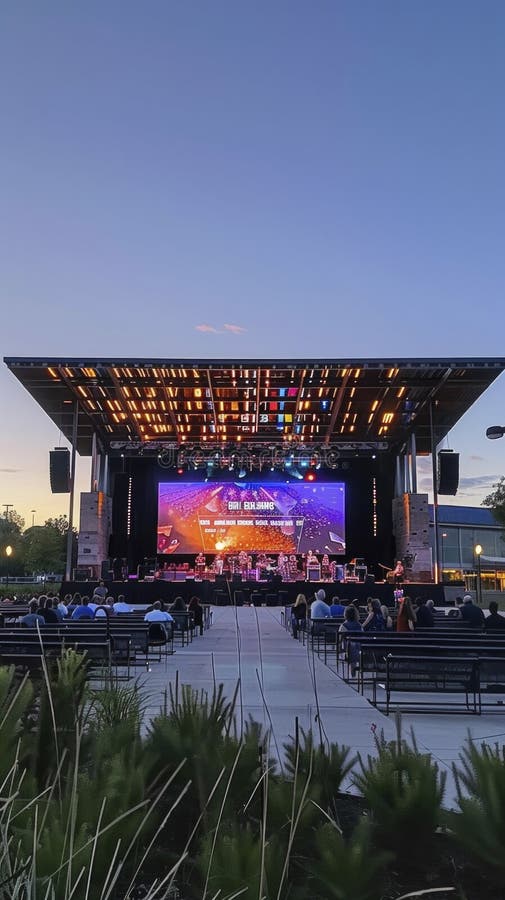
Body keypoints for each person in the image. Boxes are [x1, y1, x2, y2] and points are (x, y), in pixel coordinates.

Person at [339, 604, 363, 676]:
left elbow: (340, 638)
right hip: (359, 650)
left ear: (346, 614)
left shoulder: (343, 626)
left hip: (347, 650)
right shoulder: (360, 625)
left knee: (349, 647)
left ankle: (352, 674)